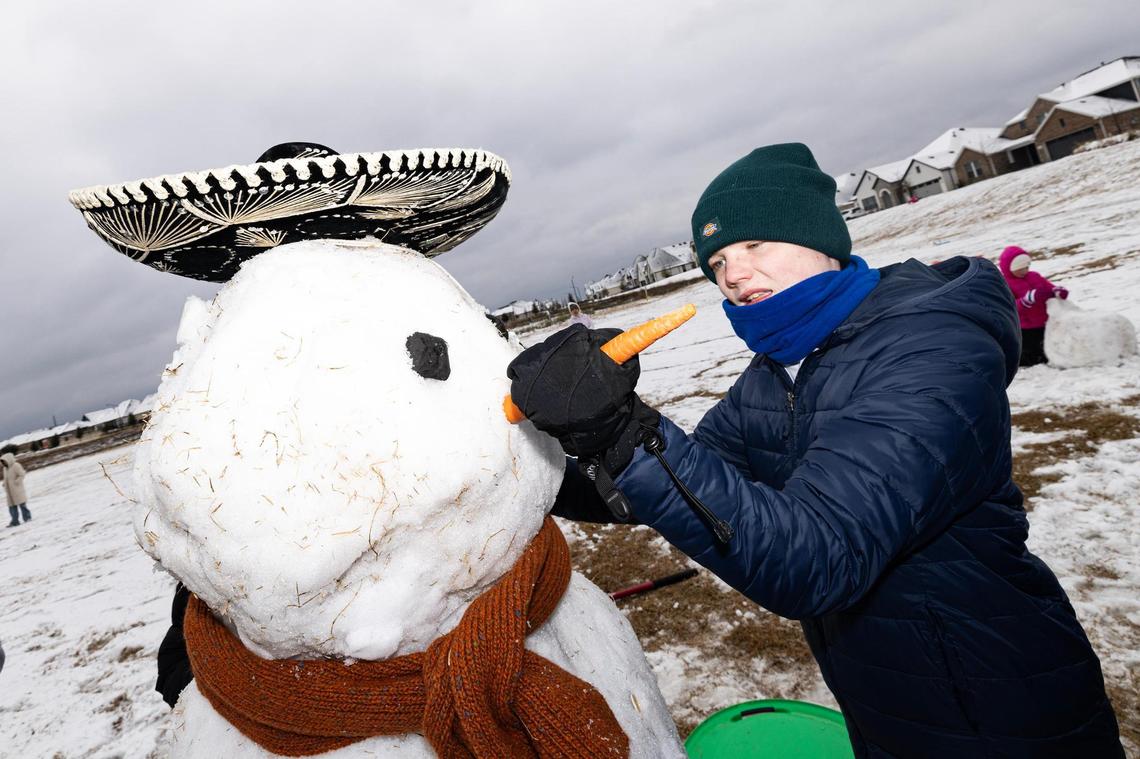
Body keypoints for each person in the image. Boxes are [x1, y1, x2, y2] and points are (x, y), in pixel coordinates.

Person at [507, 144, 1123, 757]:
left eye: (755, 245)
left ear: (820, 239)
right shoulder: (777, 372)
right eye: (717, 261)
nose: (733, 275)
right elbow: (671, 483)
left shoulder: (929, 350)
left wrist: (621, 431)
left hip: (1001, 702)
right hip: (885, 697)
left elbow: (818, 557)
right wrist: (531, 466)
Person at [1000, 245, 1068, 367]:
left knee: (1052, 351)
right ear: (1009, 269)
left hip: (1045, 324)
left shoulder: (1034, 276)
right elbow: (1008, 307)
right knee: (1032, 358)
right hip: (1026, 329)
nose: (1024, 271)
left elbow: (1049, 288)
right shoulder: (1004, 284)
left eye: (1026, 267)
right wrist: (1028, 299)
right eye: (1019, 269)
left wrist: (1057, 291)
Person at [2, 452, 31, 527]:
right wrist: (5, 483)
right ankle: (15, 521)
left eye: (4, 461)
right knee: (11, 507)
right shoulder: (5, 468)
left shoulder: (16, 465)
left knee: (22, 505)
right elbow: (7, 478)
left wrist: (17, 481)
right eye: (2, 462)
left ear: (8, 459)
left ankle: (27, 517)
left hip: (17, 489)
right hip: (9, 491)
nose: (3, 463)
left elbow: (22, 474)